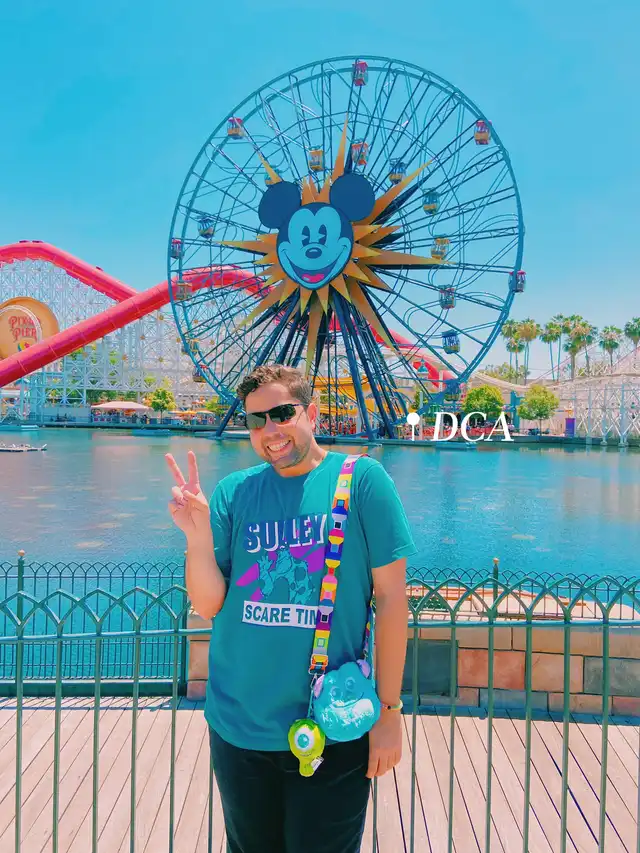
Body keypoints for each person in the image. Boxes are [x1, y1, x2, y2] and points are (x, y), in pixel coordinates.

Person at [165, 365, 416, 853]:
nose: (270, 430)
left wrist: (389, 711)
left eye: (282, 413)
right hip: (239, 724)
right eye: (255, 420)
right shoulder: (234, 492)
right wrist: (196, 537)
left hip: (332, 723)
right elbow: (209, 603)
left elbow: (391, 600)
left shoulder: (363, 482)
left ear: (312, 414)